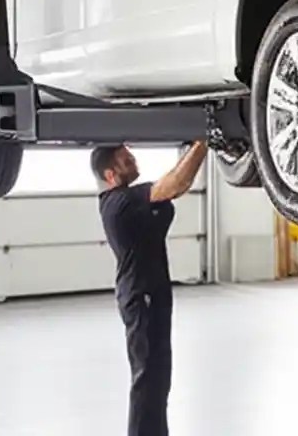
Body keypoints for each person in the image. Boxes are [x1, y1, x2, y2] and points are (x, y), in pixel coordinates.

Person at [91, 141, 209, 436]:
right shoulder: (120, 203)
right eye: (125, 160)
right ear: (110, 175)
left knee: (158, 377)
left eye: (130, 154)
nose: (132, 159)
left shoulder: (132, 196)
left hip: (152, 294)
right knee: (147, 378)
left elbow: (178, 185)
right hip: (140, 296)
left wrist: (197, 146)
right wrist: (204, 141)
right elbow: (175, 183)